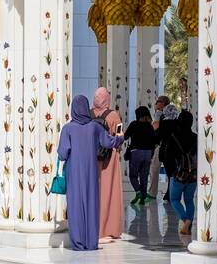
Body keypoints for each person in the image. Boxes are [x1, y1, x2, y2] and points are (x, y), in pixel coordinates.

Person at [57, 94, 124, 251]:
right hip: (91, 173)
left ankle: (78, 243)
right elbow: (108, 142)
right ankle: (91, 243)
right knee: (91, 204)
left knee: (75, 206)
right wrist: (119, 138)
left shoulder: (68, 129)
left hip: (74, 173)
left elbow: (62, 153)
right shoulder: (95, 127)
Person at [92, 87, 125, 243]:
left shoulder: (88, 114)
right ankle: (108, 229)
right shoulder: (113, 116)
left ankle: (93, 227)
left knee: (93, 193)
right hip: (109, 160)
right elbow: (120, 136)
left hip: (91, 159)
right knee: (108, 193)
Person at [162, 108, 198, 234]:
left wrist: (172, 172)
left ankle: (185, 220)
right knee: (189, 200)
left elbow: (168, 156)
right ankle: (189, 225)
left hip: (178, 174)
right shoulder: (195, 137)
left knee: (175, 199)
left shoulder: (174, 137)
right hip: (193, 174)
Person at [124, 105, 157, 206]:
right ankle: (143, 197)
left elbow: (125, 137)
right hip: (147, 154)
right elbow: (154, 141)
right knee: (144, 176)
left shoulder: (134, 124)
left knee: (133, 175)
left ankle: (138, 192)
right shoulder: (150, 126)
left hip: (136, 153)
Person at [151, 95, 178, 201]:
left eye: (158, 101)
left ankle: (162, 193)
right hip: (172, 148)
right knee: (171, 171)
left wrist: (157, 117)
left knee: (162, 169)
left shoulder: (162, 117)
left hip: (165, 147)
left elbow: (157, 131)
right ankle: (170, 193)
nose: (156, 103)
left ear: (163, 103)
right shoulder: (173, 117)